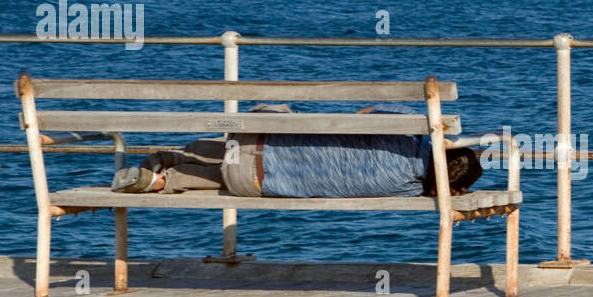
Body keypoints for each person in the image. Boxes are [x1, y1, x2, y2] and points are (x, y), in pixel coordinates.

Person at [110, 103, 483, 198]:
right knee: (228, 175)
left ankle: (165, 161)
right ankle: (163, 180)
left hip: (258, 133)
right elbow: (435, 186)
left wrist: (439, 140)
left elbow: (361, 114)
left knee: (225, 150)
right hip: (251, 181)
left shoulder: (410, 123)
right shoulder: (407, 187)